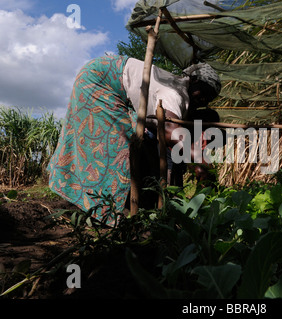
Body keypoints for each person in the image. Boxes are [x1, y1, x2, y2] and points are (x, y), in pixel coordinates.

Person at [47, 55, 221, 224]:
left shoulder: (183, 101)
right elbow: (169, 131)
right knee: (115, 148)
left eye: (209, 98)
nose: (204, 99)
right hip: (100, 80)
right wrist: (200, 161)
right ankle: (103, 210)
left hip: (109, 80)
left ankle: (133, 207)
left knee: (141, 150)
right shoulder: (175, 94)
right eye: (204, 91)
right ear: (193, 80)